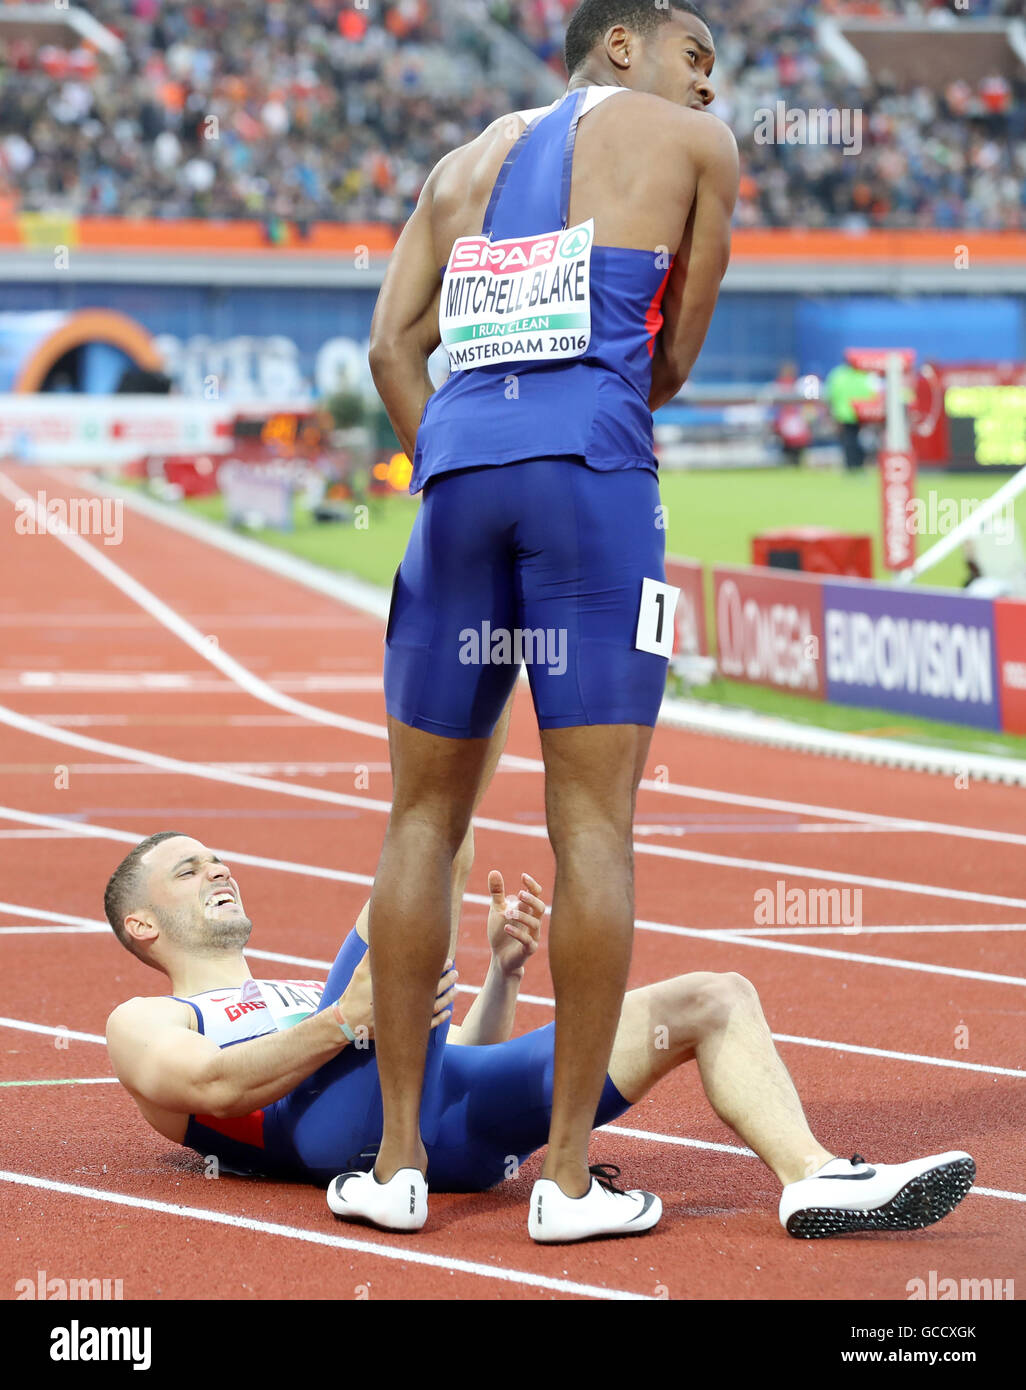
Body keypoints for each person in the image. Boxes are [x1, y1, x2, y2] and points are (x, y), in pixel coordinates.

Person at [361, 0, 740, 1240]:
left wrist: (462, 455)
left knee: (422, 814)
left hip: (460, 474)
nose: (711, 83)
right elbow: (672, 356)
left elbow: (386, 350)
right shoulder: (696, 146)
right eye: (699, 57)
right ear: (621, 44)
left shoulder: (454, 166)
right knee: (594, 826)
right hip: (591, 476)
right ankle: (567, 1182)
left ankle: (399, 1162)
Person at [102, 799, 976, 1246]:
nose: (219, 871)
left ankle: (814, 1178)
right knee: (437, 838)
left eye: (218, 858)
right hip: (335, 1142)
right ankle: (473, 649)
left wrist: (503, 977)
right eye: (188, 871)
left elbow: (450, 1055)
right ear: (142, 925)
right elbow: (211, 1084)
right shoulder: (145, 1015)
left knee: (717, 994)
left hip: (458, 1129)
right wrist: (345, 1020)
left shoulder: (308, 986)